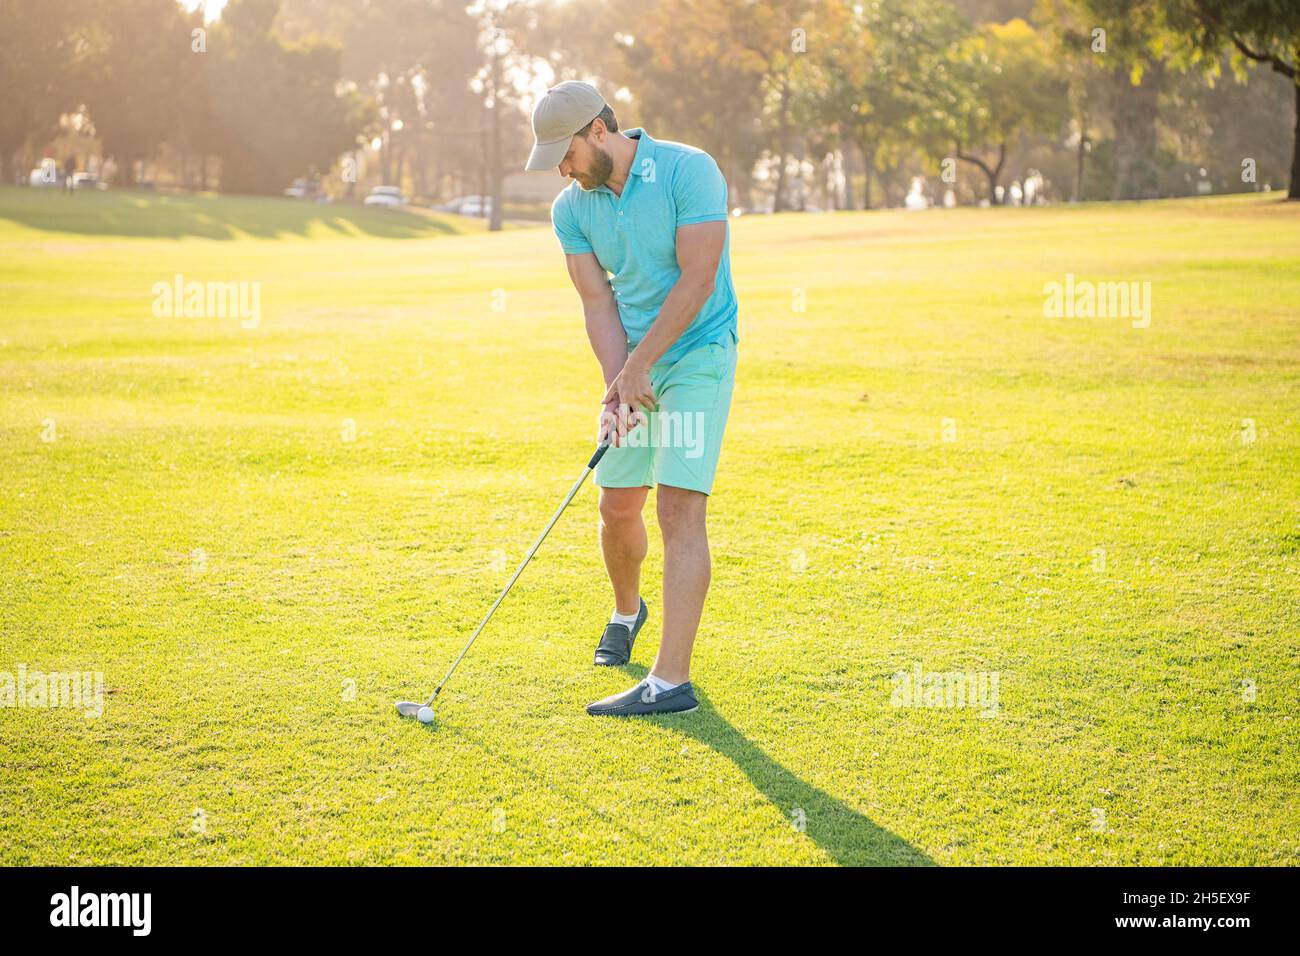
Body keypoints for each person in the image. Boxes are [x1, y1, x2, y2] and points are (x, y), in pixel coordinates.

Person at [524, 81, 739, 716]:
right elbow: (598, 301)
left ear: (597, 131)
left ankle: (670, 683)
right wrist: (618, 385)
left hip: (699, 353)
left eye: (563, 154)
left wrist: (640, 366)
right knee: (617, 506)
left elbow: (701, 276)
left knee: (678, 510)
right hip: (633, 364)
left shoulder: (688, 170)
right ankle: (627, 610)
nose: (560, 171)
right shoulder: (572, 208)